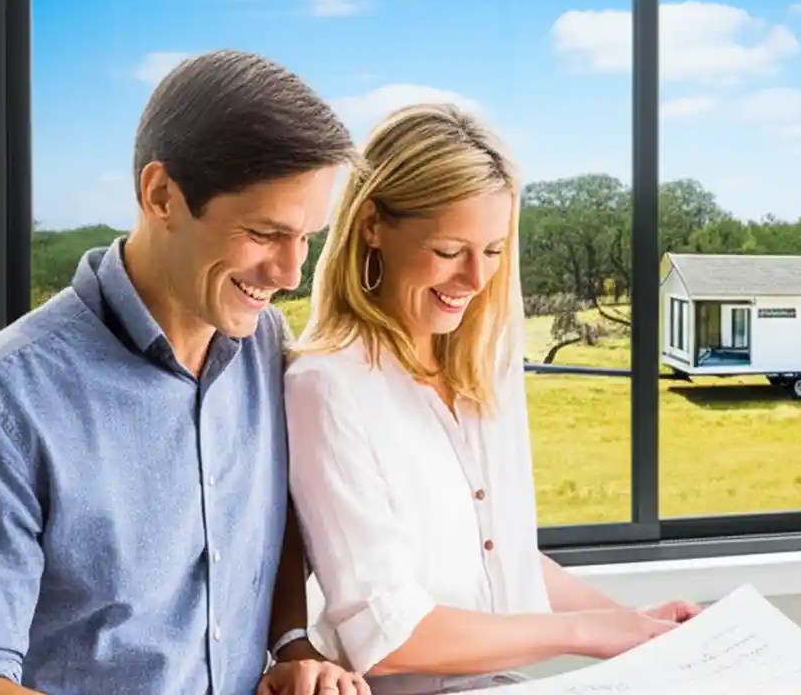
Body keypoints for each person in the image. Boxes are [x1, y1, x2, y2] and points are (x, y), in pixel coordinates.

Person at [0, 50, 368, 695]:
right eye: (264, 233)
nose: (290, 274)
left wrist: (290, 645)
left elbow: (276, 516)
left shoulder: (264, 345)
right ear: (161, 195)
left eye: (307, 237)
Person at [283, 103, 703, 695]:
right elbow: (391, 637)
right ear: (373, 225)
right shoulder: (327, 387)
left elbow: (500, 561)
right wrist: (586, 633)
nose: (476, 280)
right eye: (451, 251)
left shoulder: (482, 370)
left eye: (496, 251)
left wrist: (638, 628)